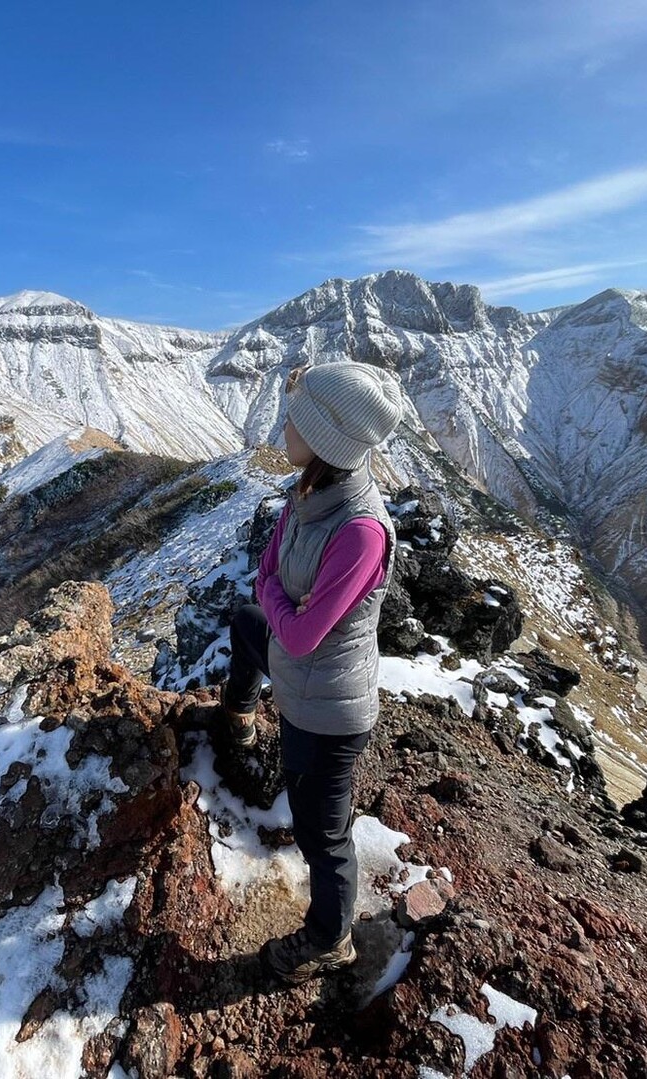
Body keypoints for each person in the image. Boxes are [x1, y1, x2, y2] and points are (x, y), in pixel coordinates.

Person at [216, 359, 402, 985]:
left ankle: (330, 939)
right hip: (299, 679)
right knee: (249, 621)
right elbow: (267, 580)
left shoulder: (360, 533)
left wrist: (278, 599)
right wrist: (278, 599)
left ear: (325, 439)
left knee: (322, 833)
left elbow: (299, 634)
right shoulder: (307, 497)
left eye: (295, 420)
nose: (283, 429)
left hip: (329, 709)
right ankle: (239, 716)